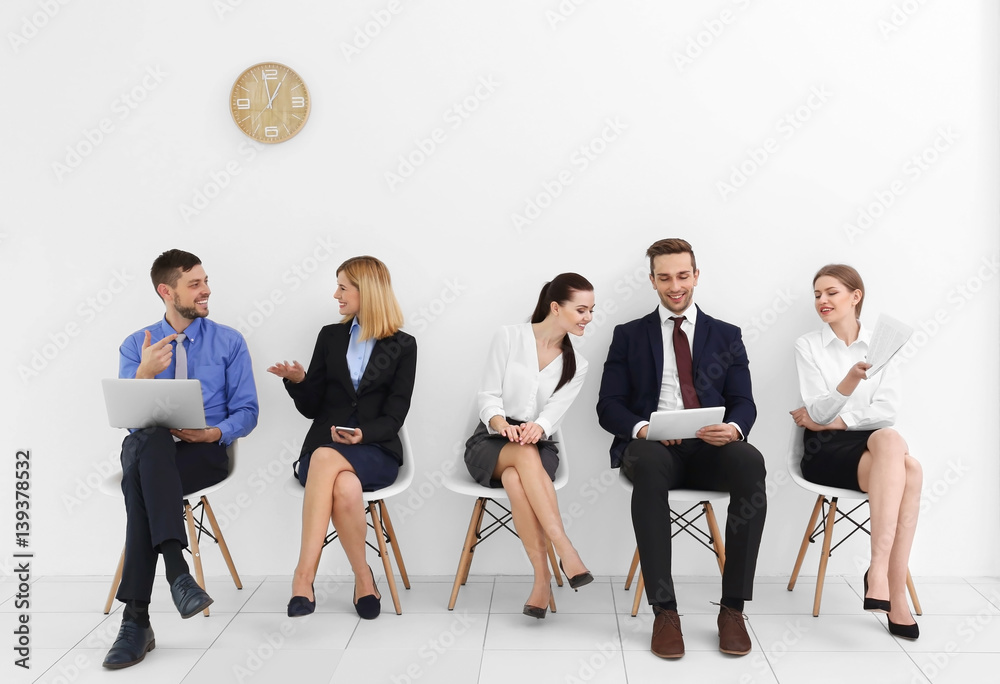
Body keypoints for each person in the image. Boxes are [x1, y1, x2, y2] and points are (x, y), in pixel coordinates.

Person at [597, 238, 766, 659]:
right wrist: (644, 428)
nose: (676, 286)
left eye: (683, 275)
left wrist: (733, 428)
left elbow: (744, 401)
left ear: (696, 275)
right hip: (652, 449)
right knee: (651, 465)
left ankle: (732, 609)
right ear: (652, 280)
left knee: (750, 462)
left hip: (710, 450)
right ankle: (664, 611)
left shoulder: (727, 335)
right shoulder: (628, 336)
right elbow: (608, 405)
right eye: (665, 277)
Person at [104, 250, 259, 669]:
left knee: (139, 483)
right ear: (166, 291)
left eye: (206, 280)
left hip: (204, 453)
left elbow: (247, 411)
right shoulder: (138, 344)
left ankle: (136, 620)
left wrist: (213, 432)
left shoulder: (229, 341)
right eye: (195, 284)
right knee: (150, 444)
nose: (206, 289)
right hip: (151, 449)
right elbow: (129, 420)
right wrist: (144, 375)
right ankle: (177, 573)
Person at [269, 256, 416, 620]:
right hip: (326, 452)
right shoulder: (330, 337)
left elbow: (395, 416)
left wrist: (362, 434)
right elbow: (312, 408)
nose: (336, 294)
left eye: (343, 287)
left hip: (375, 452)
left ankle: (303, 577)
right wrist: (300, 381)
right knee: (344, 485)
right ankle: (364, 578)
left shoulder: (403, 345)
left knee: (324, 458)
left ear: (366, 291)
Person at [790, 264, 921, 640]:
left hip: (870, 445)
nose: (822, 301)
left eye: (831, 292)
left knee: (892, 440)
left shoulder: (883, 344)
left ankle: (880, 575)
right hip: (824, 451)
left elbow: (887, 412)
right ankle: (892, 593)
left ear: (855, 297)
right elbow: (815, 412)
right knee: (909, 469)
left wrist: (835, 420)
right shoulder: (808, 345)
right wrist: (849, 381)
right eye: (817, 295)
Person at [464, 273, 595, 618]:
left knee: (515, 479)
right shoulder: (508, 337)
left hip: (538, 446)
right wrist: (502, 424)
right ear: (555, 307)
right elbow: (488, 394)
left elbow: (554, 413)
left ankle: (541, 581)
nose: (588, 318)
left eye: (591, 310)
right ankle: (565, 549)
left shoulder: (577, 364)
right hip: (491, 438)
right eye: (581, 310)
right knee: (518, 458)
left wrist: (538, 428)